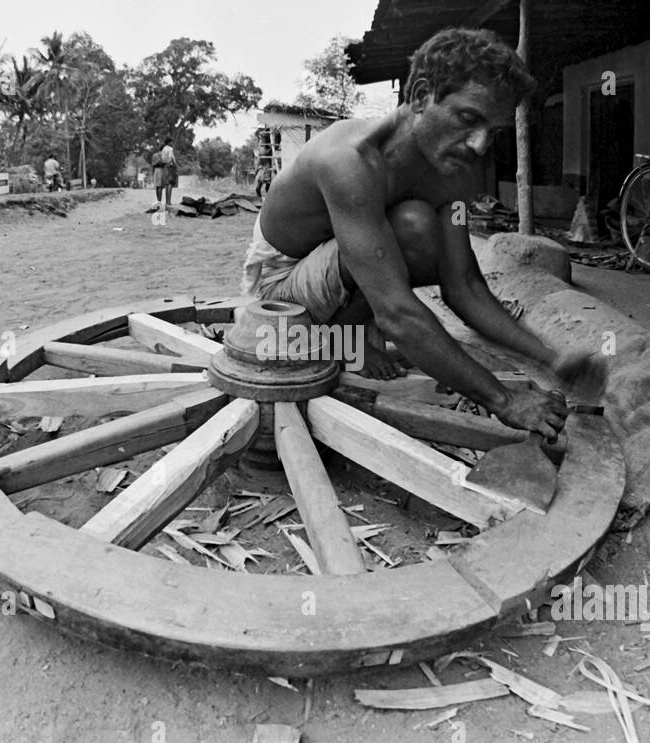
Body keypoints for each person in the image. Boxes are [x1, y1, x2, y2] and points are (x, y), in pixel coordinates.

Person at [239, 27, 606, 439]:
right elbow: (397, 313)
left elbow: (463, 284)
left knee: (415, 224)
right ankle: (349, 343)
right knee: (409, 227)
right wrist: (504, 400)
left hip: (341, 283)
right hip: (280, 297)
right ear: (419, 94)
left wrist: (551, 357)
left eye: (495, 131)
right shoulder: (348, 161)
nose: (480, 145)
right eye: (468, 118)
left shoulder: (452, 176)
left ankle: (354, 337)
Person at [159, 139, 178, 207]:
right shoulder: (170, 149)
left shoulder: (163, 149)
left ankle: (167, 201)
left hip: (165, 166)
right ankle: (168, 201)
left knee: (167, 184)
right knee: (170, 183)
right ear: (169, 142)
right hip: (170, 166)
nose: (172, 143)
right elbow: (170, 158)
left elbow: (162, 159)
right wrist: (172, 163)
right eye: (171, 142)